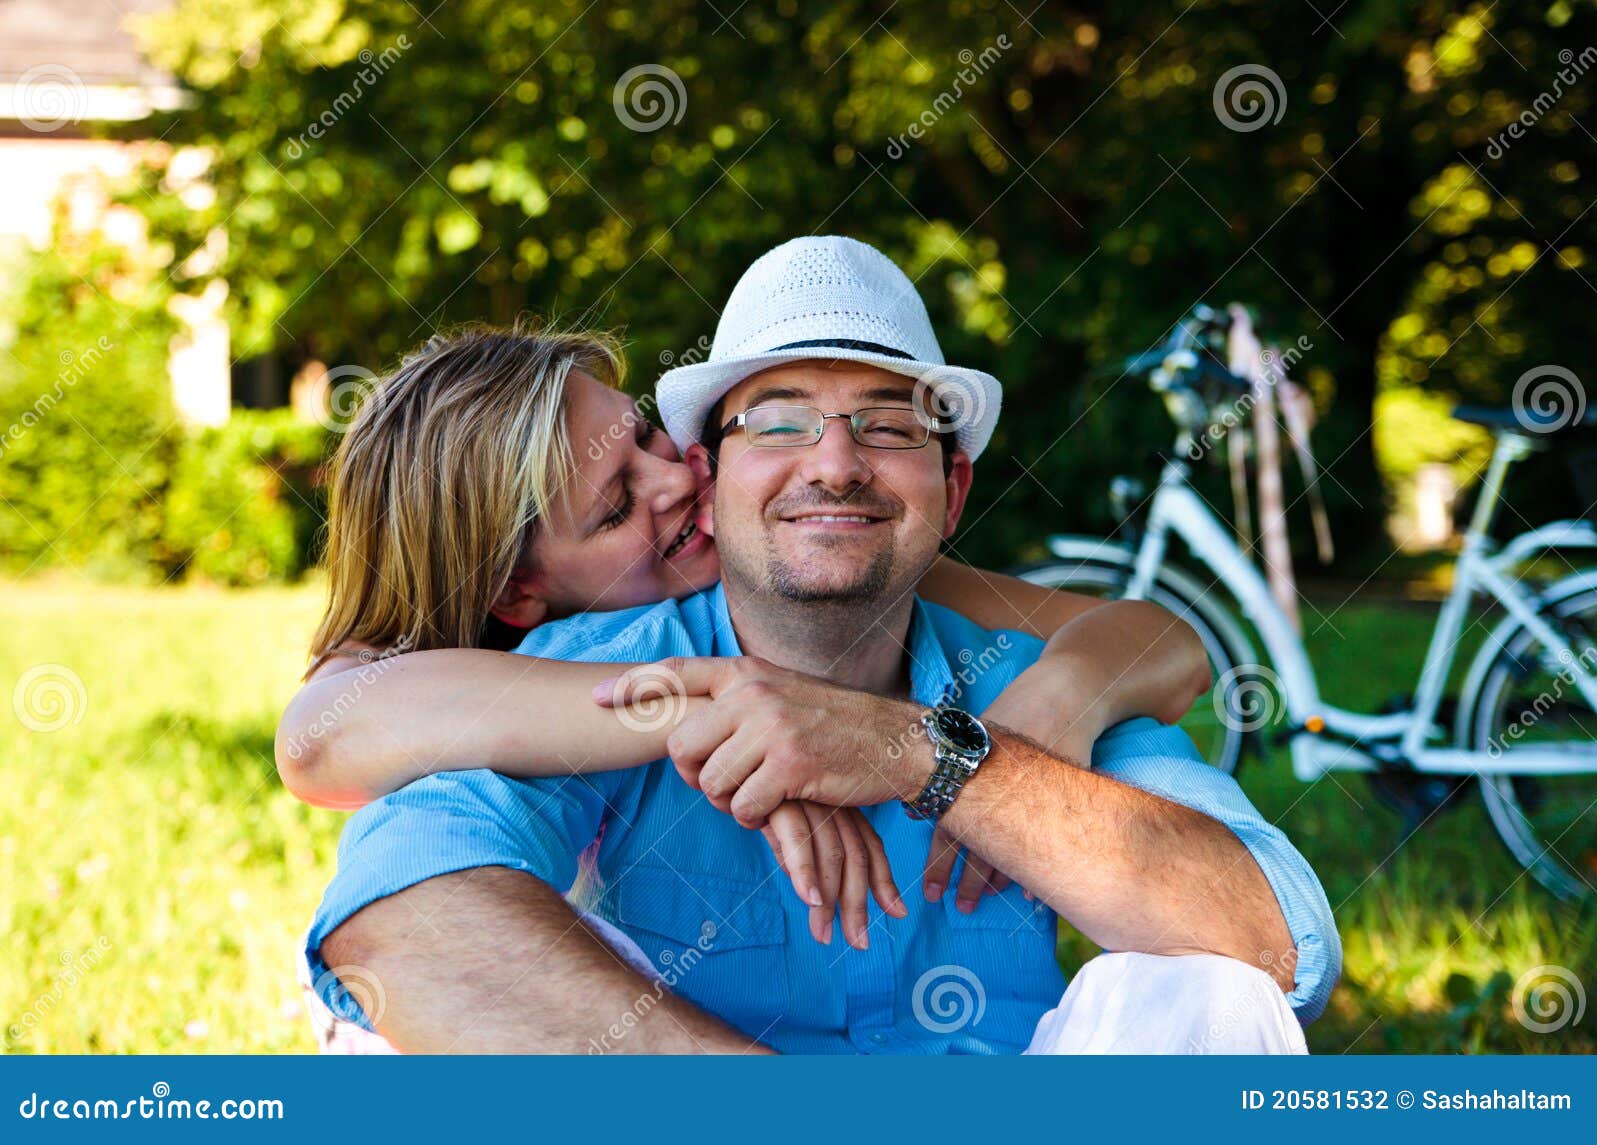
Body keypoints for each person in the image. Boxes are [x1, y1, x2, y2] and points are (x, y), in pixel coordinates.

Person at [300, 236, 1338, 1053]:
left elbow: (1282, 939)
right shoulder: (549, 680)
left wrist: (923, 747)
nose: (835, 465)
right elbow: (366, 836)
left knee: (1212, 989)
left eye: (888, 426)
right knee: (387, 1037)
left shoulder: (993, 656)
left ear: (952, 492)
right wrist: (729, 707)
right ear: (724, 470)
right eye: (778, 422)